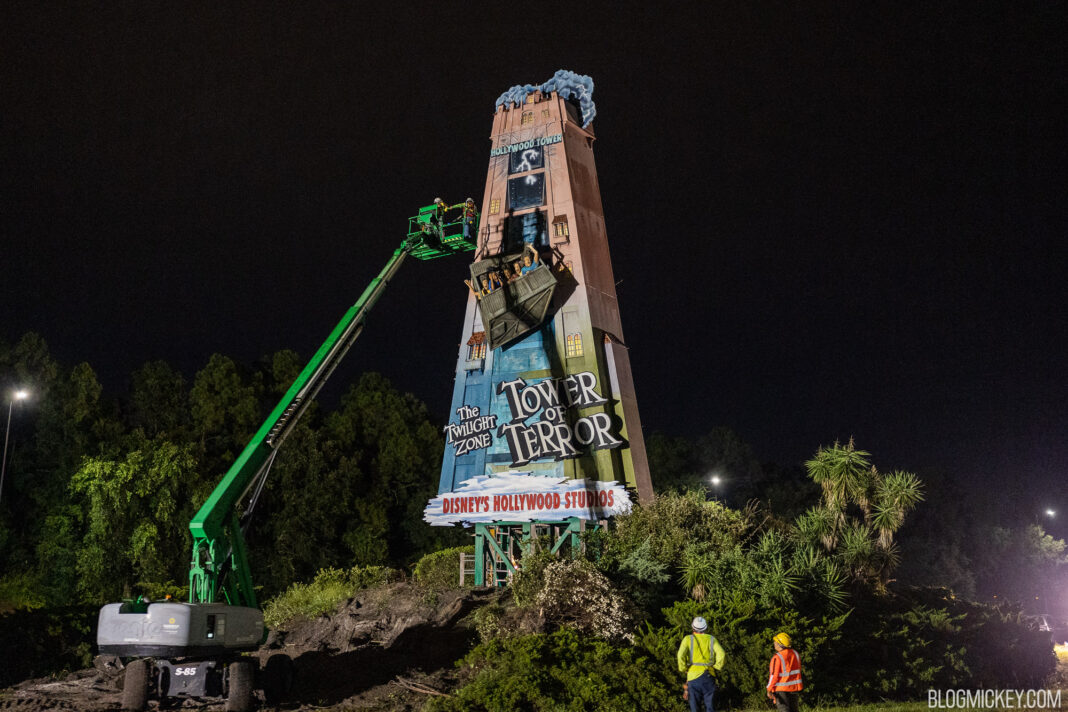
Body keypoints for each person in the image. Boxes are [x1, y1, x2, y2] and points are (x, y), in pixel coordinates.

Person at [677, 616, 725, 712]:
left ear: (692, 627)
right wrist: (717, 666)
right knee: (710, 708)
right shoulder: (711, 639)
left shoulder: (687, 639)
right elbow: (722, 654)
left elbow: (680, 655)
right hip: (709, 675)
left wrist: (683, 668)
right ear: (705, 628)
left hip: (693, 677)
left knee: (695, 708)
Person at [766, 632, 802, 712]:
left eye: (775, 642)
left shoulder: (777, 657)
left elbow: (774, 676)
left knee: (784, 710)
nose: (774, 644)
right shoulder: (795, 654)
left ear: (780, 645)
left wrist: (769, 689)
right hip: (794, 688)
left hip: (781, 689)